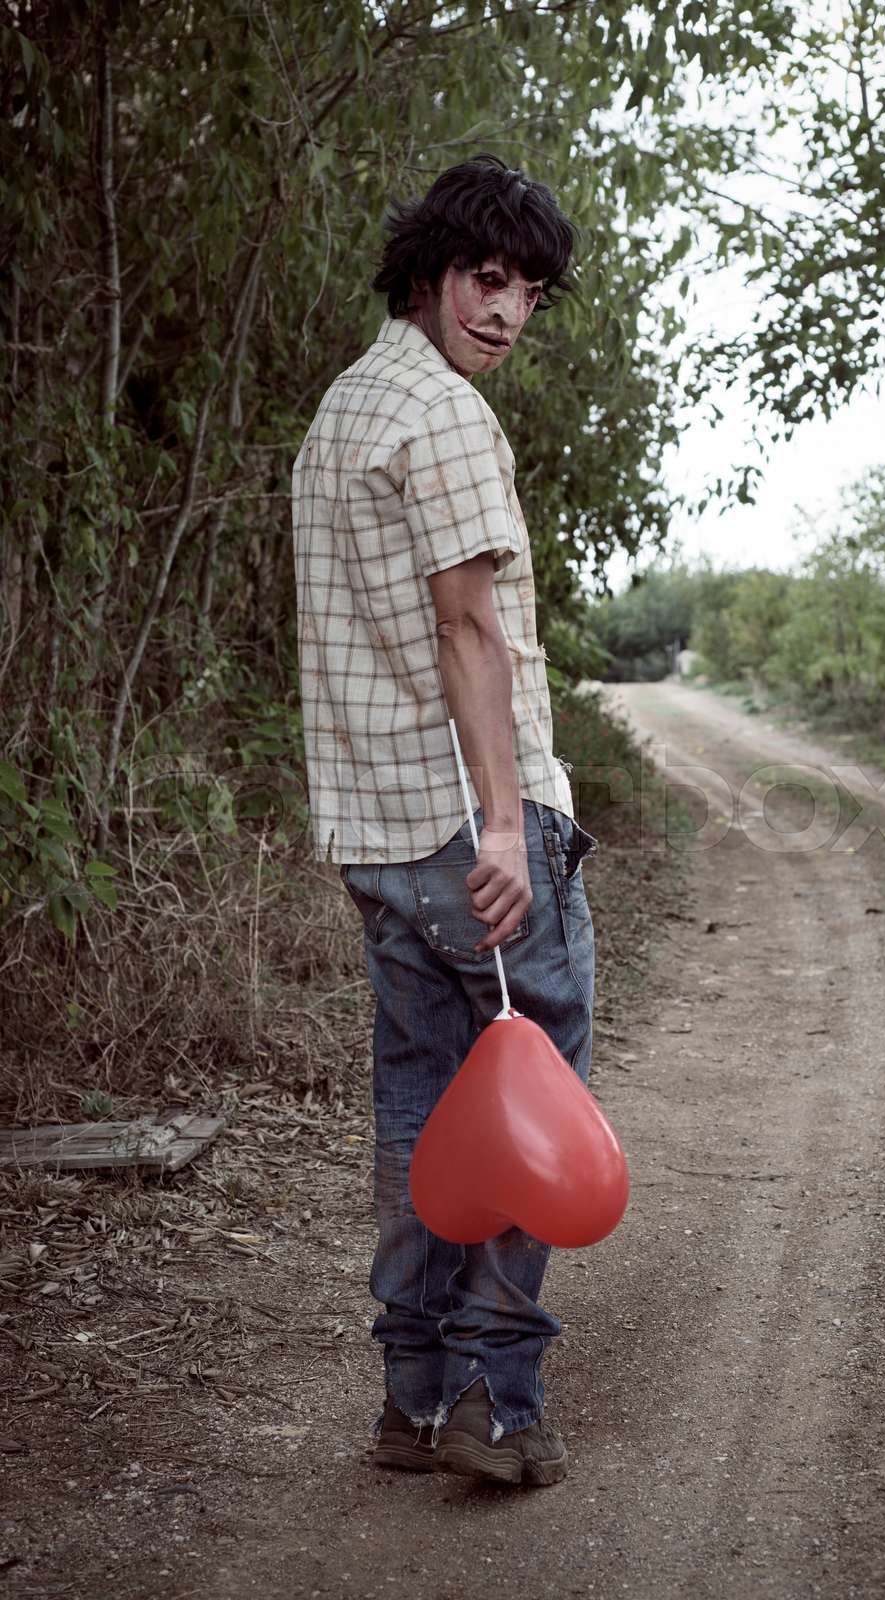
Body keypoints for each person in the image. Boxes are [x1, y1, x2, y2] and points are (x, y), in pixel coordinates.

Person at [291, 156, 597, 1488]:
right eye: (488, 278)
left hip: (370, 832)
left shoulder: (341, 413)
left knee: (422, 1113)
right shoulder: (447, 420)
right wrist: (502, 829)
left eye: (530, 290)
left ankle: (410, 1400)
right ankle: (496, 1403)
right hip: (470, 831)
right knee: (534, 1104)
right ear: (430, 272)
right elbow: (469, 627)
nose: (509, 311)